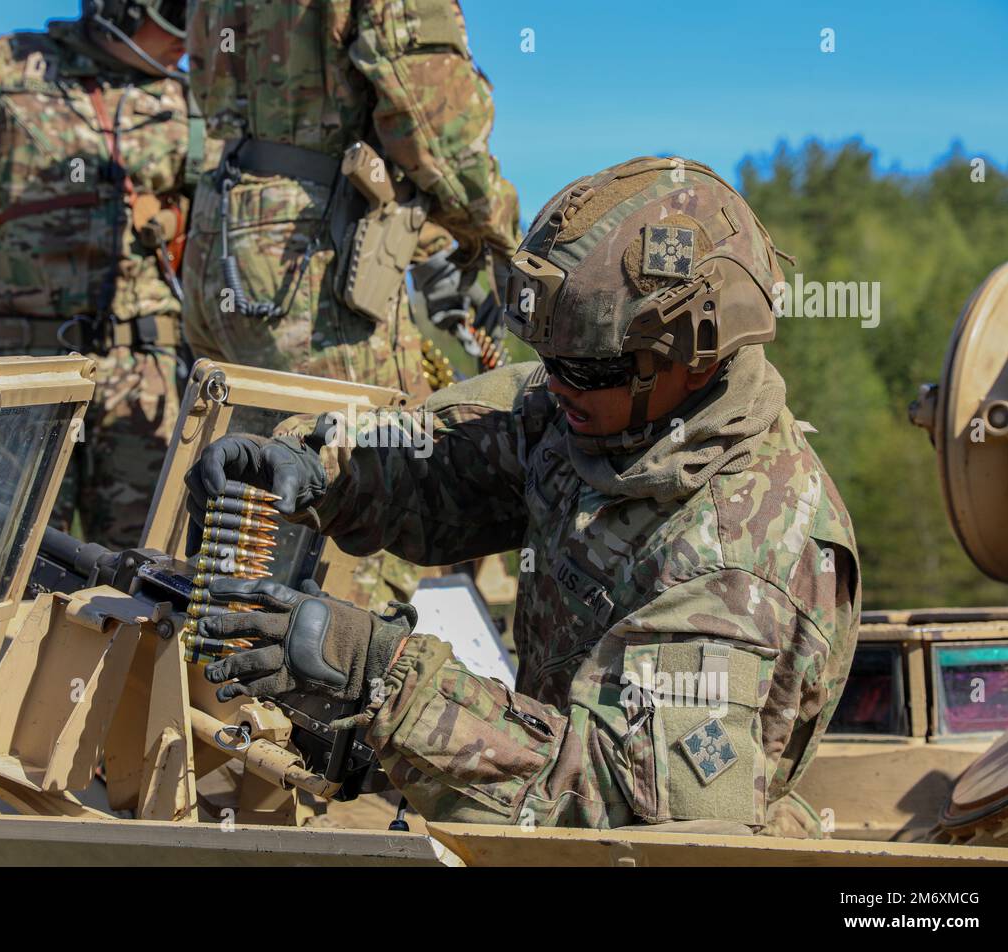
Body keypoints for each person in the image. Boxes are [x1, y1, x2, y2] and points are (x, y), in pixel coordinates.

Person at [186, 157, 861, 833]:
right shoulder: (608, 410)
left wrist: (381, 672)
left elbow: (617, 814)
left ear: (701, 357)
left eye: (585, 366)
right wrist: (316, 467)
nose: (555, 384)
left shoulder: (736, 567)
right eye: (547, 358)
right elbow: (453, 458)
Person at [180, 0, 521, 605]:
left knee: (240, 493)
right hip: (310, 263)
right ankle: (316, 692)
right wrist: (499, 231)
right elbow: (432, 118)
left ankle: (205, 677)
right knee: (361, 482)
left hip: (226, 234)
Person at [0, 0, 197, 548]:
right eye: (175, 11)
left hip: (150, 386)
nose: (190, 32)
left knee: (150, 582)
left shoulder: (191, 100)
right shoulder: (2, 71)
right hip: (18, 378)